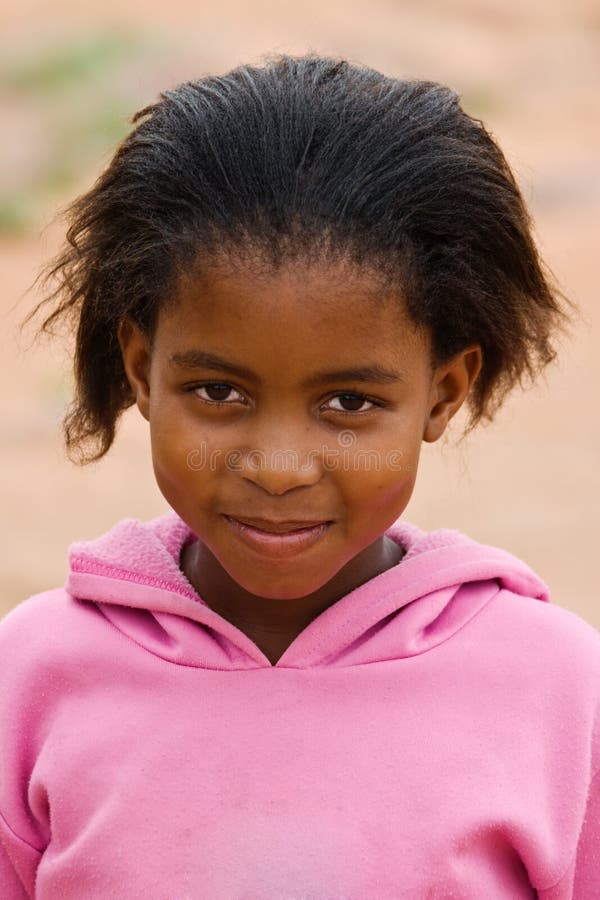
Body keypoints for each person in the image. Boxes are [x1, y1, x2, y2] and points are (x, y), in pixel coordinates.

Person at [1, 53, 598, 899]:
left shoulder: (559, 691)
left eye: (348, 402)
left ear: (444, 392)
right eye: (218, 392)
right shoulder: (32, 676)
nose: (278, 468)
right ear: (141, 370)